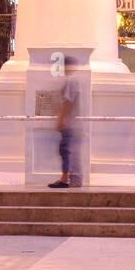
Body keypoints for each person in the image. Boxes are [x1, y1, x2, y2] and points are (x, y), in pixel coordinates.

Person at [48, 60, 81, 188]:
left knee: (65, 150)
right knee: (67, 151)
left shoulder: (71, 81)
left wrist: (60, 119)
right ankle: (69, 178)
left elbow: (68, 101)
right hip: (72, 123)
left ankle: (65, 178)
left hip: (69, 123)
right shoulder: (73, 80)